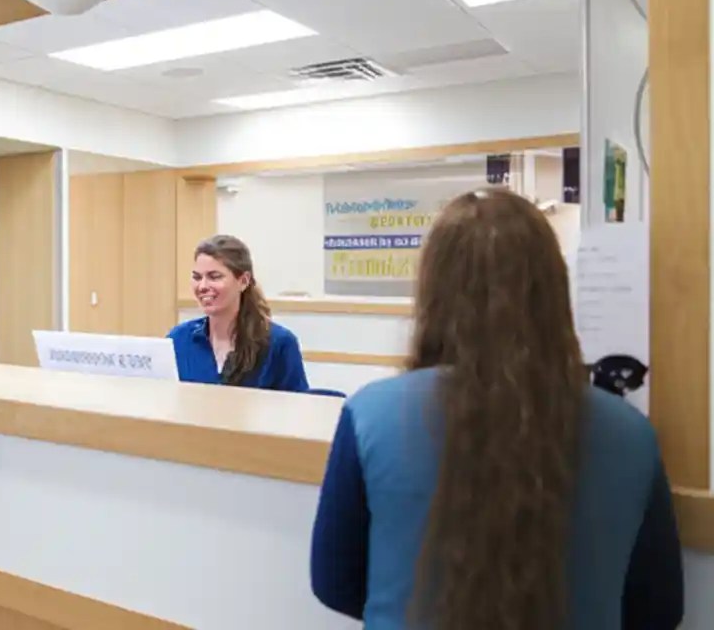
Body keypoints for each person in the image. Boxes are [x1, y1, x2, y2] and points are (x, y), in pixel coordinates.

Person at [310, 189, 683, 629]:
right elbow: (658, 608)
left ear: (432, 293)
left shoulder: (372, 414)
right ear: (555, 290)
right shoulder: (629, 433)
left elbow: (335, 582)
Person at [166, 235, 309, 392]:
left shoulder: (279, 343)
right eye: (197, 277)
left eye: (214, 277)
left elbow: (297, 410)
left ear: (243, 281)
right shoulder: (178, 339)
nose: (202, 286)